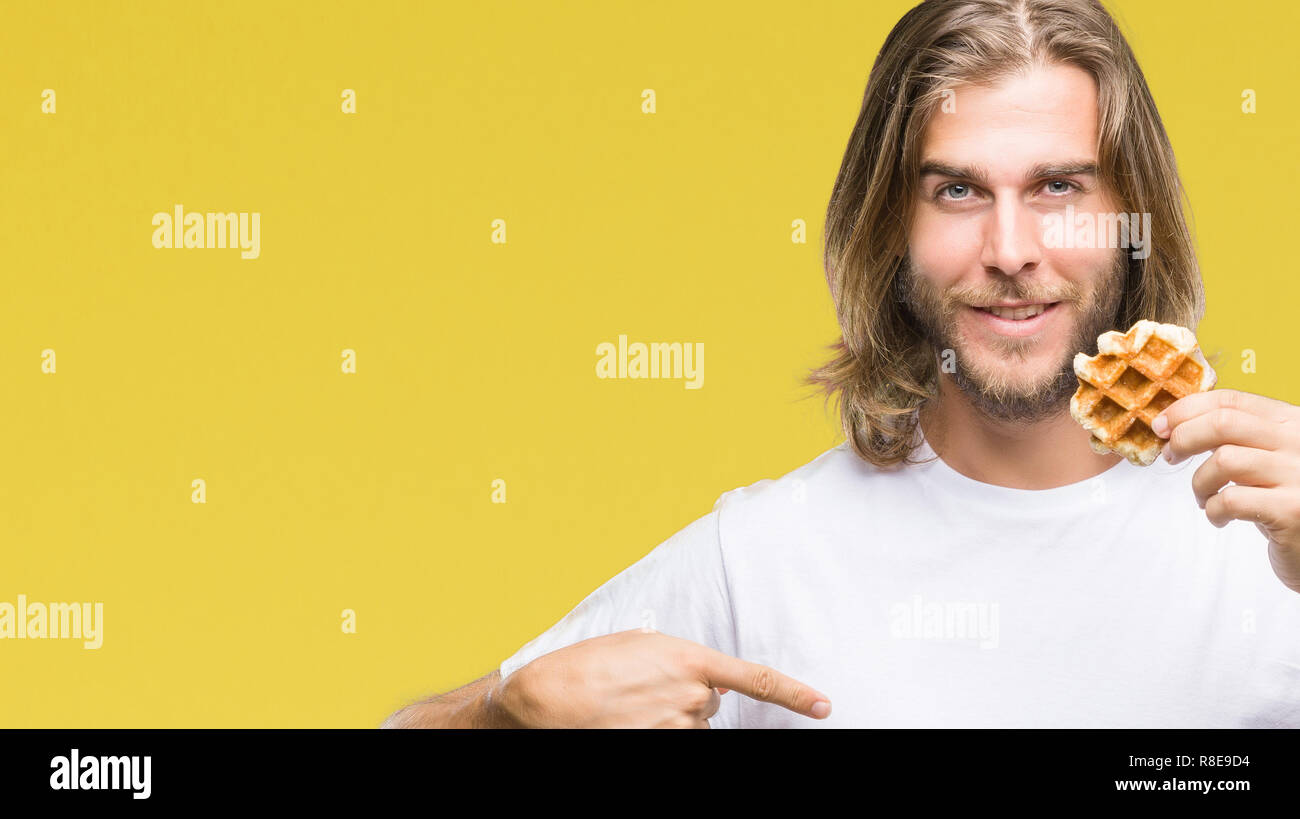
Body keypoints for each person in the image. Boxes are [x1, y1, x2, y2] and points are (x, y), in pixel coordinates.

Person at [383, 0, 1300, 728]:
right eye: (957, 190)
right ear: (891, 228)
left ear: (1133, 218)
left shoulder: (1276, 535)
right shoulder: (763, 560)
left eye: (1058, 186)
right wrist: (502, 716)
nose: (1011, 249)